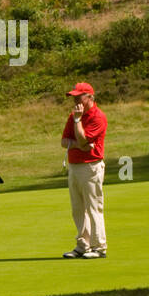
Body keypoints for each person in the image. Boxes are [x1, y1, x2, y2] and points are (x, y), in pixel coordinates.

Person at [60, 82, 108, 259]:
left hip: (91, 166)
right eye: (74, 96)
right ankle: (83, 245)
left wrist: (78, 121)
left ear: (89, 97)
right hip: (74, 165)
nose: (75, 100)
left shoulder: (97, 117)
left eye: (79, 96)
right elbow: (65, 141)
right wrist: (78, 144)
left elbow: (83, 140)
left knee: (94, 207)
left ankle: (99, 247)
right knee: (78, 208)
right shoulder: (73, 115)